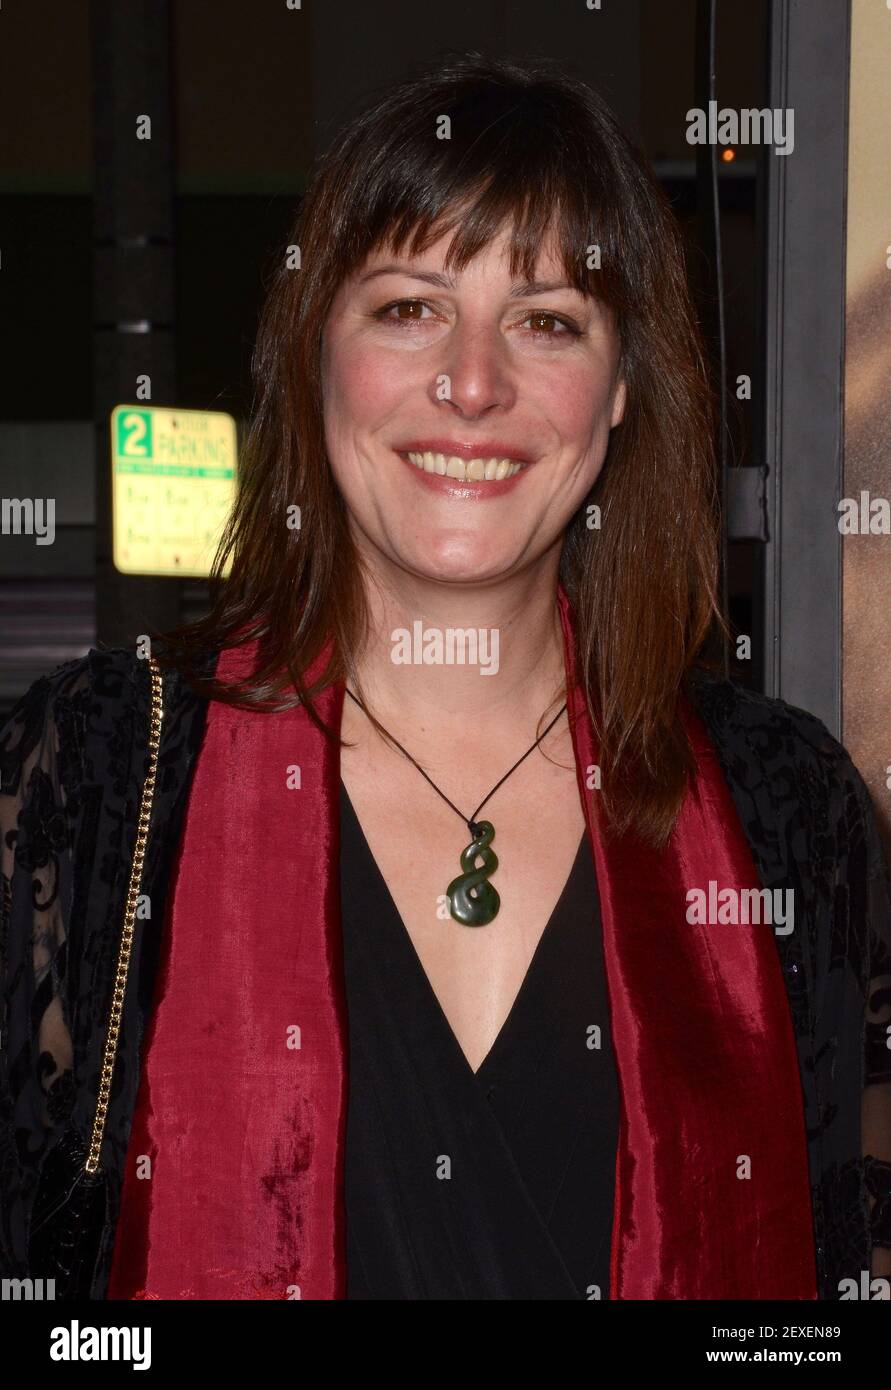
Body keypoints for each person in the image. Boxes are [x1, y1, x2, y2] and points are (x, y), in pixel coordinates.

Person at [2, 52, 890, 1302]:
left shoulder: (790, 805)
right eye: (411, 307)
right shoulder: (94, 774)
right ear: (316, 356)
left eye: (546, 321)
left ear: (624, 384)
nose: (472, 385)